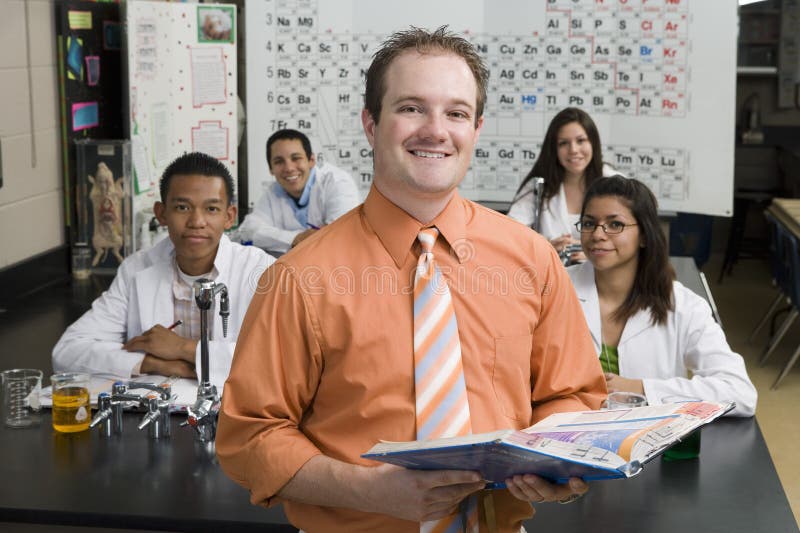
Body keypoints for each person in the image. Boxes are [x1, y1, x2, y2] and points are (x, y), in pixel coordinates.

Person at [216, 27, 606, 532]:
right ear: (370, 123)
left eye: (456, 113)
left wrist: (560, 459)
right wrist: (368, 490)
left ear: (476, 129)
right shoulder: (297, 278)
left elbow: (572, 394)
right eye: (412, 108)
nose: (436, 130)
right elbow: (247, 438)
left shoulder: (533, 259)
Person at [53, 152, 273, 390]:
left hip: (234, 416)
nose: (197, 221)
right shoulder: (136, 269)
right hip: (155, 415)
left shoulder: (261, 271)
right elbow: (67, 351)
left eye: (211, 209)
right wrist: (154, 364)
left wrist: (182, 348)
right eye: (182, 207)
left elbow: (278, 359)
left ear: (229, 216)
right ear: (161, 213)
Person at [567, 175, 757, 416]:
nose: (598, 234)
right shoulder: (555, 290)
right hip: (564, 436)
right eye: (589, 223)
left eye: (615, 225)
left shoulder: (683, 305)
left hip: (648, 441)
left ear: (645, 235)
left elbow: (740, 393)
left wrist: (643, 388)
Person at [507, 107, 617, 264]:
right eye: (564, 143)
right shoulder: (538, 186)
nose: (573, 150)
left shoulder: (614, 183)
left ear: (593, 142)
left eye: (581, 141)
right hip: (552, 277)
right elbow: (509, 234)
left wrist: (596, 253)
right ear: (554, 149)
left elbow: (631, 238)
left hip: (601, 280)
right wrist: (545, 248)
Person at [237, 129, 360, 254]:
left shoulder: (337, 182)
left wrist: (274, 238)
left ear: (311, 160)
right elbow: (248, 231)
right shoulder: (273, 192)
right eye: (279, 161)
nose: (289, 168)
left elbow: (340, 236)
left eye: (296, 158)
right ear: (271, 169)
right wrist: (295, 238)